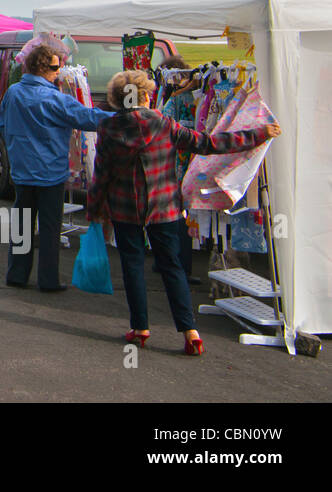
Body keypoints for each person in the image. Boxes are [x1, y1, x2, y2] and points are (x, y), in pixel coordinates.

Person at [88, 69, 278, 355]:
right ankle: (190, 331)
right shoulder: (164, 124)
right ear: (147, 95)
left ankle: (140, 329)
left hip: (125, 207)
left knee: (133, 266)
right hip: (165, 208)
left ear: (117, 99)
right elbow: (209, 143)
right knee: (172, 267)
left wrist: (95, 211)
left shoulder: (109, 128)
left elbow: (100, 175)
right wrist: (258, 134)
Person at [0, 44, 114, 291]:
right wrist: (126, 118)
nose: (58, 71)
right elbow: (89, 119)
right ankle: (48, 280)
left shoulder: (13, 93)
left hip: (22, 171)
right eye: (55, 67)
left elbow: (3, 122)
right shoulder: (55, 98)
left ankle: (17, 274)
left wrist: (15, 149)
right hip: (49, 173)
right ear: (43, 67)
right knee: (50, 228)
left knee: (22, 225)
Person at [156, 55, 200, 284]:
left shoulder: (172, 99)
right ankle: (179, 264)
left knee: (171, 212)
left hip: (172, 161)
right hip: (183, 161)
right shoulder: (183, 98)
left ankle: (163, 259)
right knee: (180, 213)